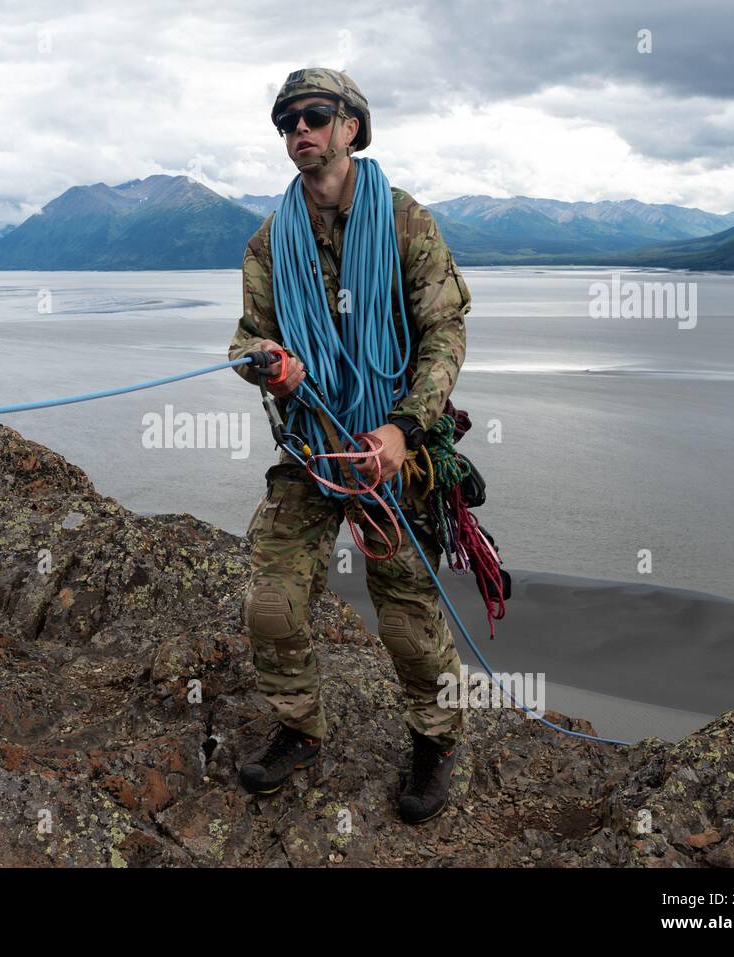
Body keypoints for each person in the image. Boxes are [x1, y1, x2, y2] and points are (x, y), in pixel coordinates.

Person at [227, 67, 472, 824]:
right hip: (311, 449)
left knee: (406, 616)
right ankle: (300, 727)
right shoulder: (271, 241)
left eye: (314, 115)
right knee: (270, 602)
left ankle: (436, 740)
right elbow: (246, 341)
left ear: (351, 127)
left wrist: (402, 427)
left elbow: (444, 331)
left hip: (387, 450)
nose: (299, 129)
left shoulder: (404, 222)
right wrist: (268, 365)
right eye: (286, 121)